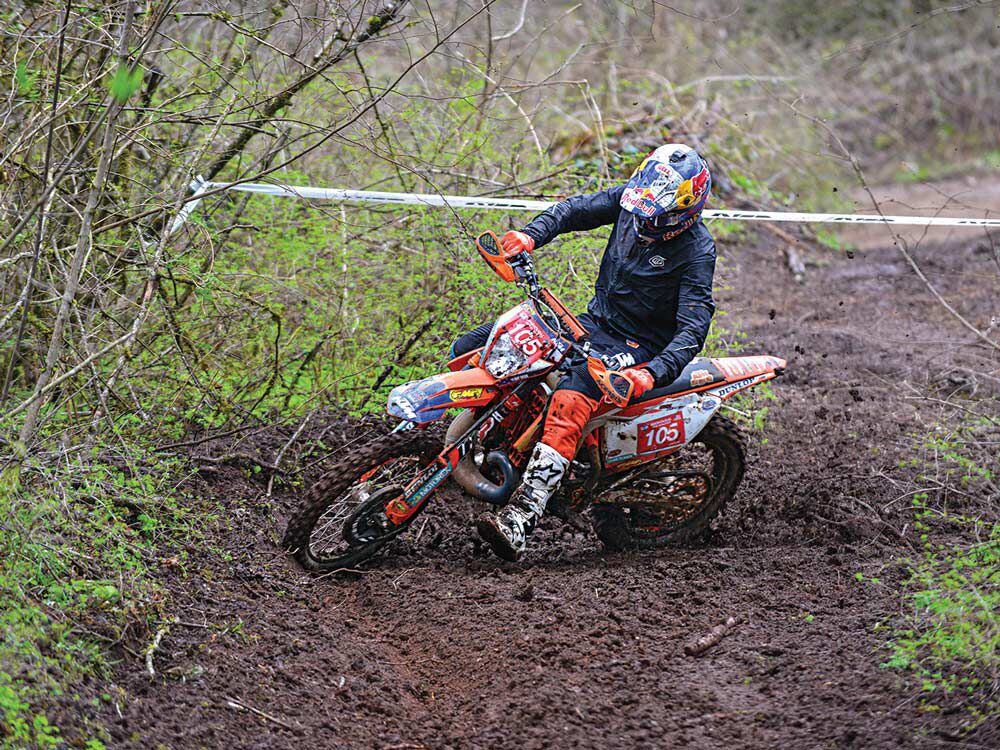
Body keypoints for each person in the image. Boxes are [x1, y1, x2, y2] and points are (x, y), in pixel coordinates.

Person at [453, 143, 717, 561]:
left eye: (657, 216)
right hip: (593, 322)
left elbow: (692, 327)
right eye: (642, 210)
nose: (645, 221)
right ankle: (471, 441)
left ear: (685, 210)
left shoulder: (697, 251)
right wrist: (530, 235)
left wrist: (651, 372)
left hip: (637, 345)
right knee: (479, 343)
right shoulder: (634, 201)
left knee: (571, 397)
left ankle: (522, 516)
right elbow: (575, 210)